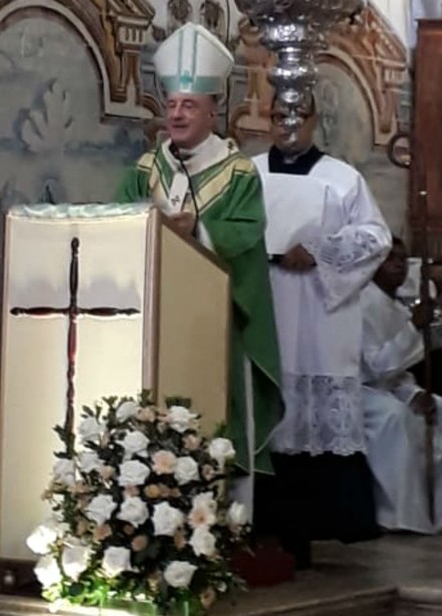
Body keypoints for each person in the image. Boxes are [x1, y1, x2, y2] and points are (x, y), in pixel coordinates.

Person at [113, 23, 283, 518]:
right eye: (170, 105)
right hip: (152, 319)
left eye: (189, 105)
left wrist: (198, 232)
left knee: (215, 417)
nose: (177, 114)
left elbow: (247, 235)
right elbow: (118, 219)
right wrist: (149, 224)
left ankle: (220, 524)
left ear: (213, 111)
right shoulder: (146, 170)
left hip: (213, 325)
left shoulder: (238, 174)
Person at [253, 95, 391, 567]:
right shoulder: (246, 173)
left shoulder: (342, 178)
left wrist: (320, 250)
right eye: (277, 116)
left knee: (314, 421)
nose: (287, 125)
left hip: (318, 308)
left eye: (297, 116)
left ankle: (320, 528)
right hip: (265, 298)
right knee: (268, 413)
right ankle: (263, 530)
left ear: (314, 120)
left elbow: (376, 237)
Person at [360, 238, 442, 534]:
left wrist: (415, 393)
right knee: (393, 417)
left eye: (403, 258)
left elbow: (399, 375)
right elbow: (376, 368)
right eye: (389, 258)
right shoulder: (362, 303)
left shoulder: (395, 307)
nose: (398, 264)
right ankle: (398, 515)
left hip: (389, 389)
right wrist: (413, 328)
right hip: (361, 392)